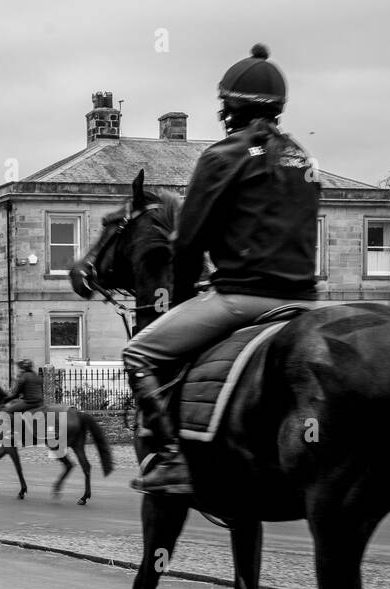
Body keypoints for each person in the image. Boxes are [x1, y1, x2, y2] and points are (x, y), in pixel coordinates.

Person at [121, 43, 320, 495]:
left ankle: (173, 457)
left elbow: (188, 243)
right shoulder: (302, 158)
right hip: (304, 303)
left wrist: (184, 293)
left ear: (229, 107)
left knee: (138, 353)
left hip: (241, 300)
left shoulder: (223, 156)